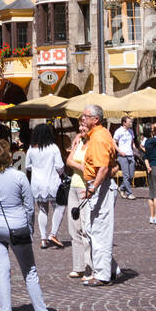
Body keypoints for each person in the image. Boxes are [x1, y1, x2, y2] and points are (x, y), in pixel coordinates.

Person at [0, 138, 64, 311]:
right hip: (16, 226)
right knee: (29, 270)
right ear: (7, 157)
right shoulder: (19, 177)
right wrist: (30, 229)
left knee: (2, 269)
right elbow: (29, 207)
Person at [80, 105, 121, 286]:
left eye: (85, 116)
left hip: (100, 187)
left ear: (95, 119)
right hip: (99, 185)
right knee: (93, 229)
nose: (83, 119)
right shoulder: (101, 134)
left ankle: (103, 275)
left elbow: (103, 167)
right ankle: (111, 269)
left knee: (99, 232)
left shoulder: (98, 138)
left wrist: (93, 188)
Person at [25, 123, 66, 249]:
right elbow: (60, 166)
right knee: (59, 206)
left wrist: (37, 169)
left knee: (42, 210)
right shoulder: (53, 148)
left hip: (37, 184)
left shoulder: (31, 149)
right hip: (52, 182)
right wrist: (61, 173)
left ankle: (43, 238)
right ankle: (53, 233)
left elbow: (27, 166)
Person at [65, 120, 93, 280]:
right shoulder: (79, 142)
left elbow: (91, 166)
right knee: (73, 227)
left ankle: (89, 266)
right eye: (80, 127)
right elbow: (68, 161)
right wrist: (81, 166)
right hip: (74, 186)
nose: (81, 129)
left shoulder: (92, 144)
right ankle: (78, 266)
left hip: (85, 187)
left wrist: (80, 166)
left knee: (85, 227)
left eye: (84, 127)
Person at [113, 117, 137, 198]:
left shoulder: (131, 131)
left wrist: (135, 149)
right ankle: (129, 193)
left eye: (131, 122)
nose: (130, 123)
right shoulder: (119, 131)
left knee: (131, 175)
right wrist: (120, 152)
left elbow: (132, 142)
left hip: (131, 154)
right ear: (124, 123)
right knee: (126, 175)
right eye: (129, 122)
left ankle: (121, 188)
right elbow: (114, 143)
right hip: (123, 156)